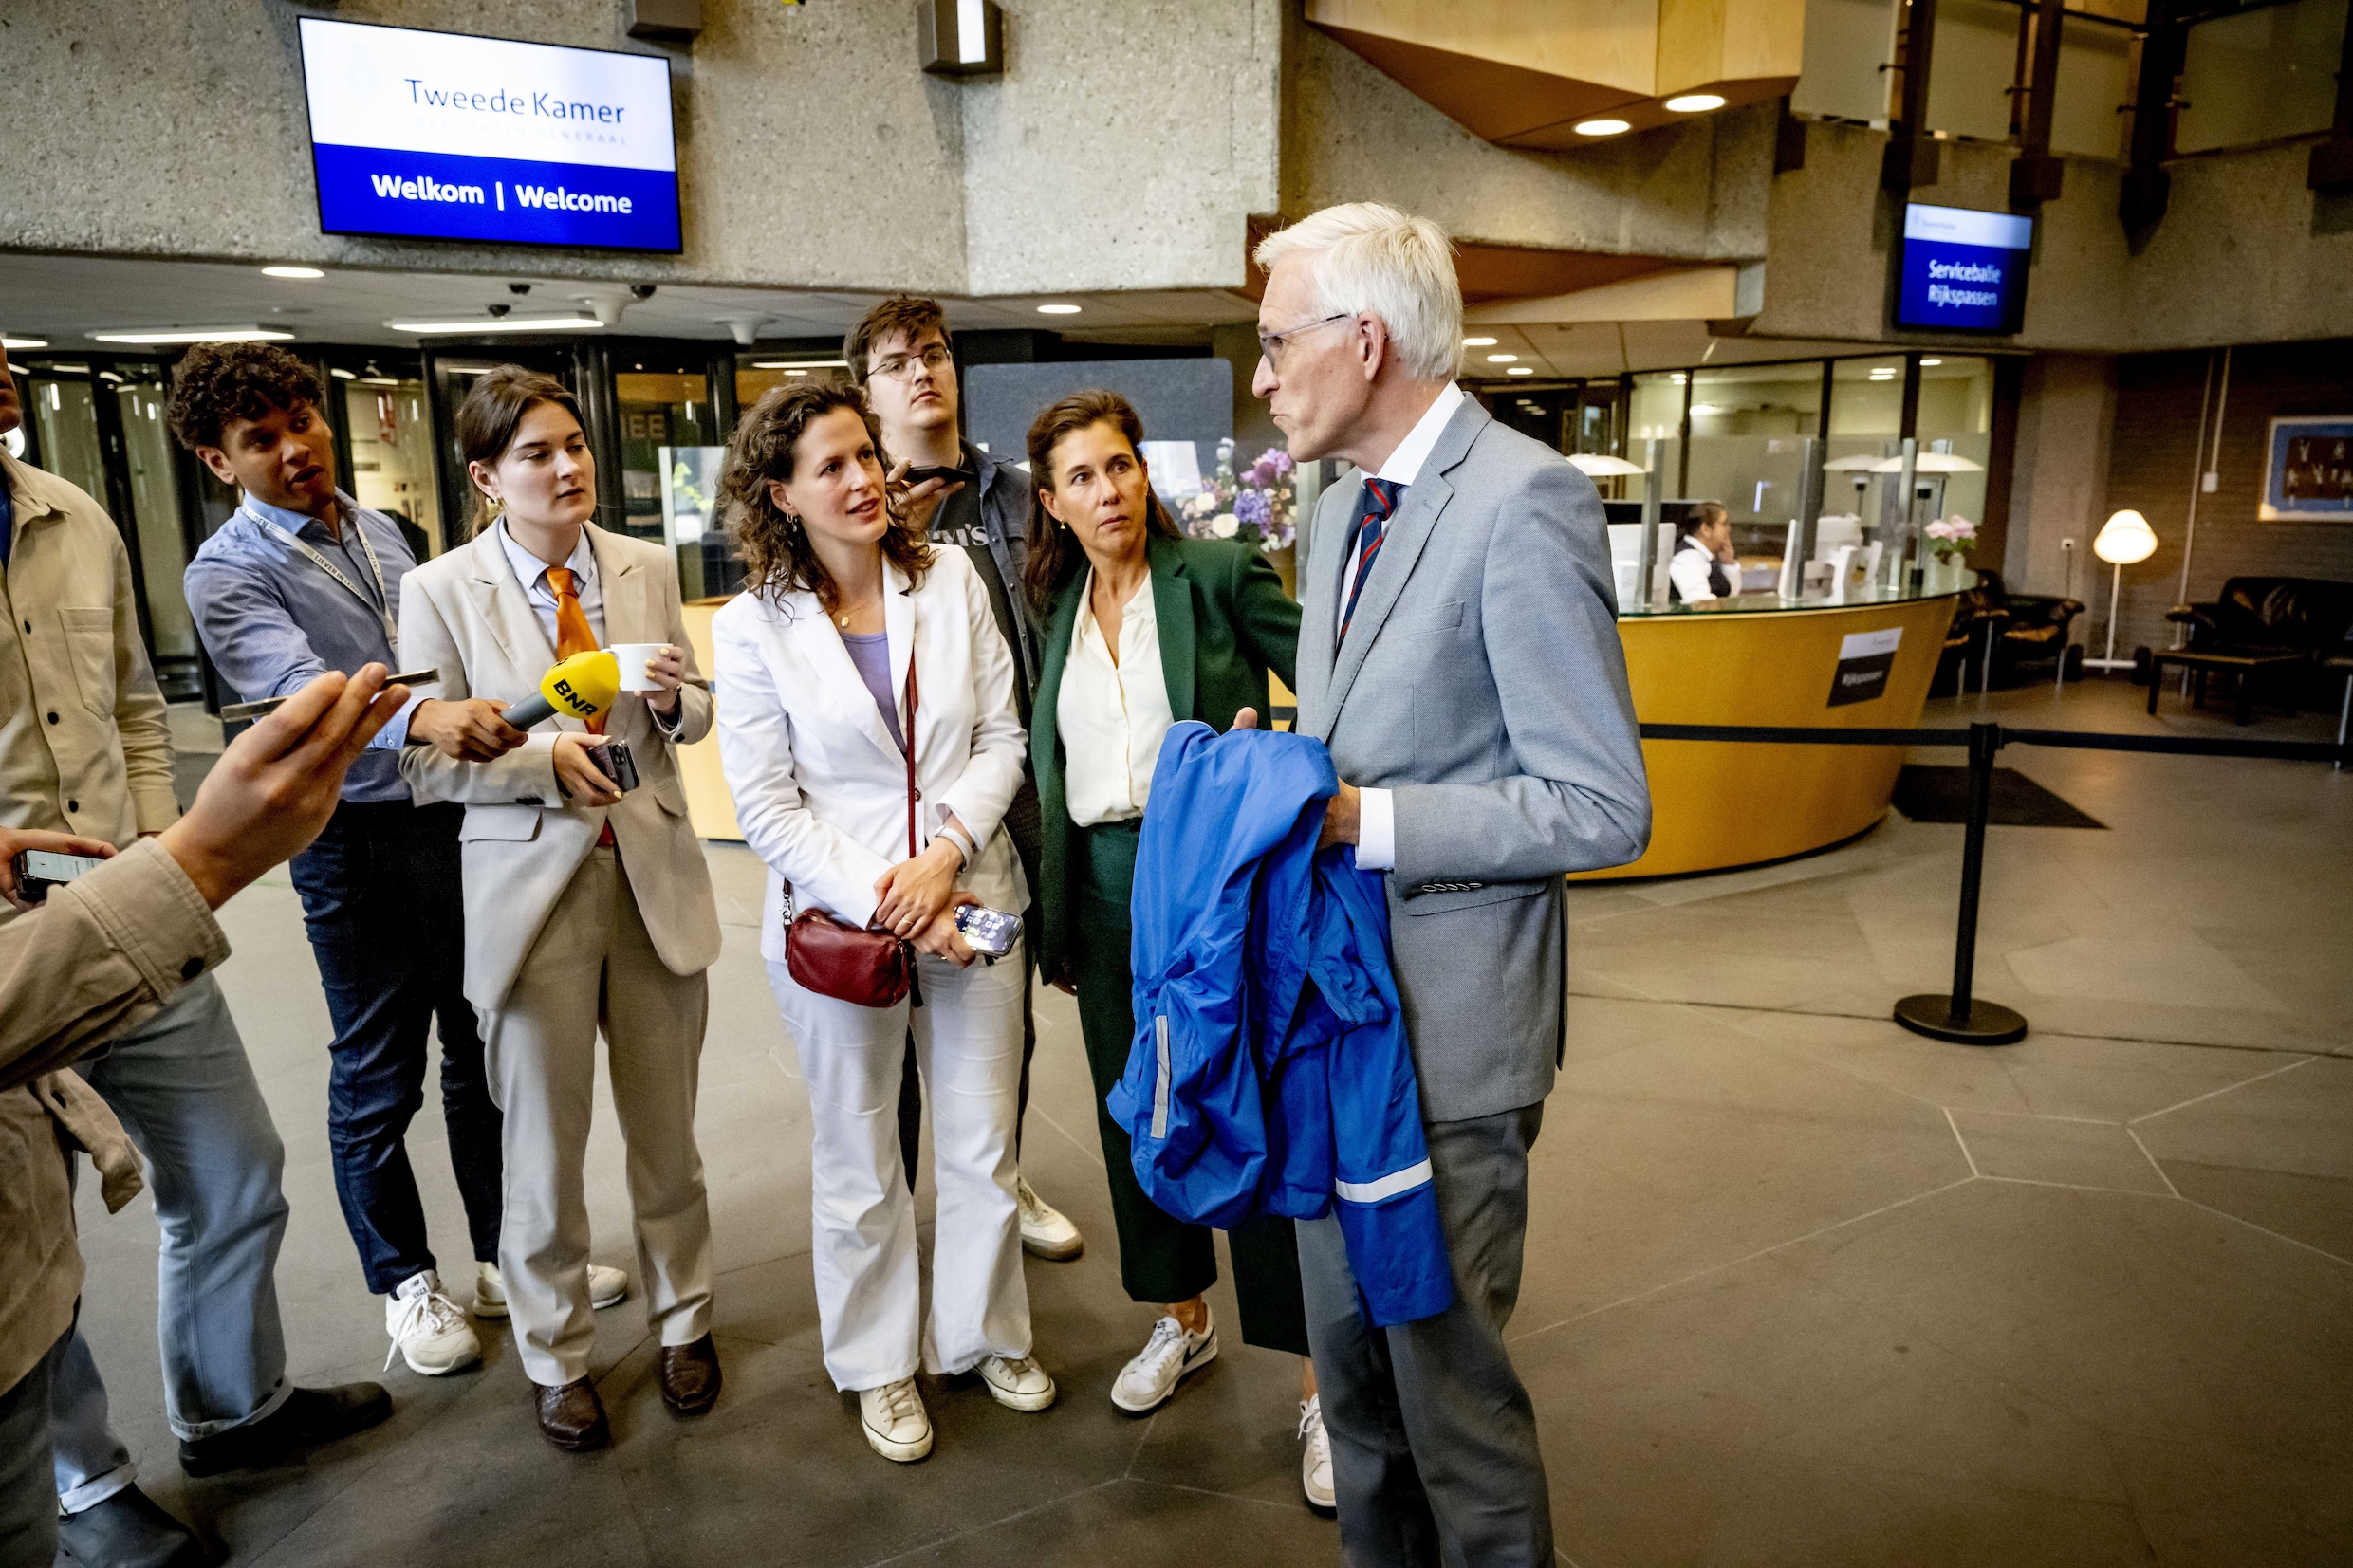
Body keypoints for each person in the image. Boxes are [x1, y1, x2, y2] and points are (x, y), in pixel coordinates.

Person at [1251, 202, 1651, 1565]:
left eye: (1272, 343)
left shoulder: (1523, 498)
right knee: (1353, 1399)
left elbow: (1599, 803)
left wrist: (1366, 820)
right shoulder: (1332, 509)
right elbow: (1355, 729)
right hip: (1334, 1023)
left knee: (1452, 1404)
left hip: (1450, 1048)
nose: (1261, 376)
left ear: (1363, 341)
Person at [1, 339, 392, 1568]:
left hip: (130, 891)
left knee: (235, 1164)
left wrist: (157, 841)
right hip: (10, 939)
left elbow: (127, 699)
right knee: (26, 1238)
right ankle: (82, 1489)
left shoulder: (71, 518)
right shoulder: (233, 562)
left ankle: (233, 1408)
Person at [174, 342, 637, 1381]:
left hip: (455, 820)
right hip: (352, 840)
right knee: (378, 1072)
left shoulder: (382, 529)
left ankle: (498, 1258)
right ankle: (404, 1282)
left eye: (305, 423)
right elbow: (303, 694)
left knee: (480, 1057)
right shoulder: (229, 570)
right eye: (261, 441)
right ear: (218, 462)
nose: (296, 450)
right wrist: (430, 715)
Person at [711, 381, 1052, 1465]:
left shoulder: (949, 577)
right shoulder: (752, 627)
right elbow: (766, 806)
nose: (862, 479)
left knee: (979, 1142)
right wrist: (890, 898)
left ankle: (984, 1335)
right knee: (858, 1156)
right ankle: (876, 1365)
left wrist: (945, 857)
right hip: (837, 927)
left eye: (866, 455)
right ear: (781, 493)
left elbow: (1003, 737)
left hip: (975, 899)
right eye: (829, 467)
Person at [397, 367, 723, 1452]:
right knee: (540, 1151)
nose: (567, 466)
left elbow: (694, 717)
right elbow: (424, 766)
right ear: (487, 478)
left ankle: (686, 1322)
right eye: (535, 454)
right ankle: (557, 1356)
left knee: (667, 1138)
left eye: (573, 444)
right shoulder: (442, 589)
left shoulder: (644, 566)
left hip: (651, 875)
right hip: (528, 897)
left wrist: (677, 705)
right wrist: (542, 759)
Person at [1022, 391, 1335, 1509]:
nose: (1108, 493)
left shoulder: (1212, 573)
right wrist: (1057, 921)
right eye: (1082, 479)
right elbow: (1053, 777)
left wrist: (1282, 764)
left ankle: (1316, 1385)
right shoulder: (1051, 613)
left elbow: (1333, 676)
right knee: (1140, 1116)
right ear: (1050, 504)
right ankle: (1180, 1319)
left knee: (1256, 1111)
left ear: (1141, 475)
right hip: (1107, 900)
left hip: (1209, 886)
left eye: (1121, 467)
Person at [845, 295, 1083, 1264]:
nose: (922, 373)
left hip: (1013, 793)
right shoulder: (846, 506)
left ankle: (997, 1172)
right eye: (897, 362)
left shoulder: (1021, 497)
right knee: (883, 1011)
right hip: (886, 803)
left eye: (934, 354)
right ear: (866, 390)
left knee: (998, 1009)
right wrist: (869, 543)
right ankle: (892, 1199)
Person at [1668, 500, 1737, 603]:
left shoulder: (1707, 557)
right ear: (1705, 529)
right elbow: (1700, 602)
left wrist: (1728, 563)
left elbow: (1730, 597)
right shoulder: (1688, 558)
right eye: (1723, 524)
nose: (1728, 529)